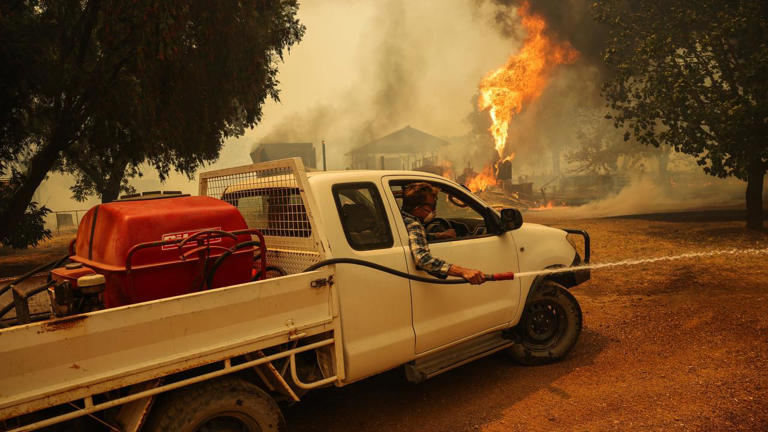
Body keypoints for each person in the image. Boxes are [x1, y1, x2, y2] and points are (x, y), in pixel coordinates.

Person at [400, 182, 485, 285]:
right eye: (429, 209)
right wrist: (464, 271)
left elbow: (410, 238)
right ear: (417, 209)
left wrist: (438, 235)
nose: (433, 212)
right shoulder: (414, 225)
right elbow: (422, 259)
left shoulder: (401, 219)